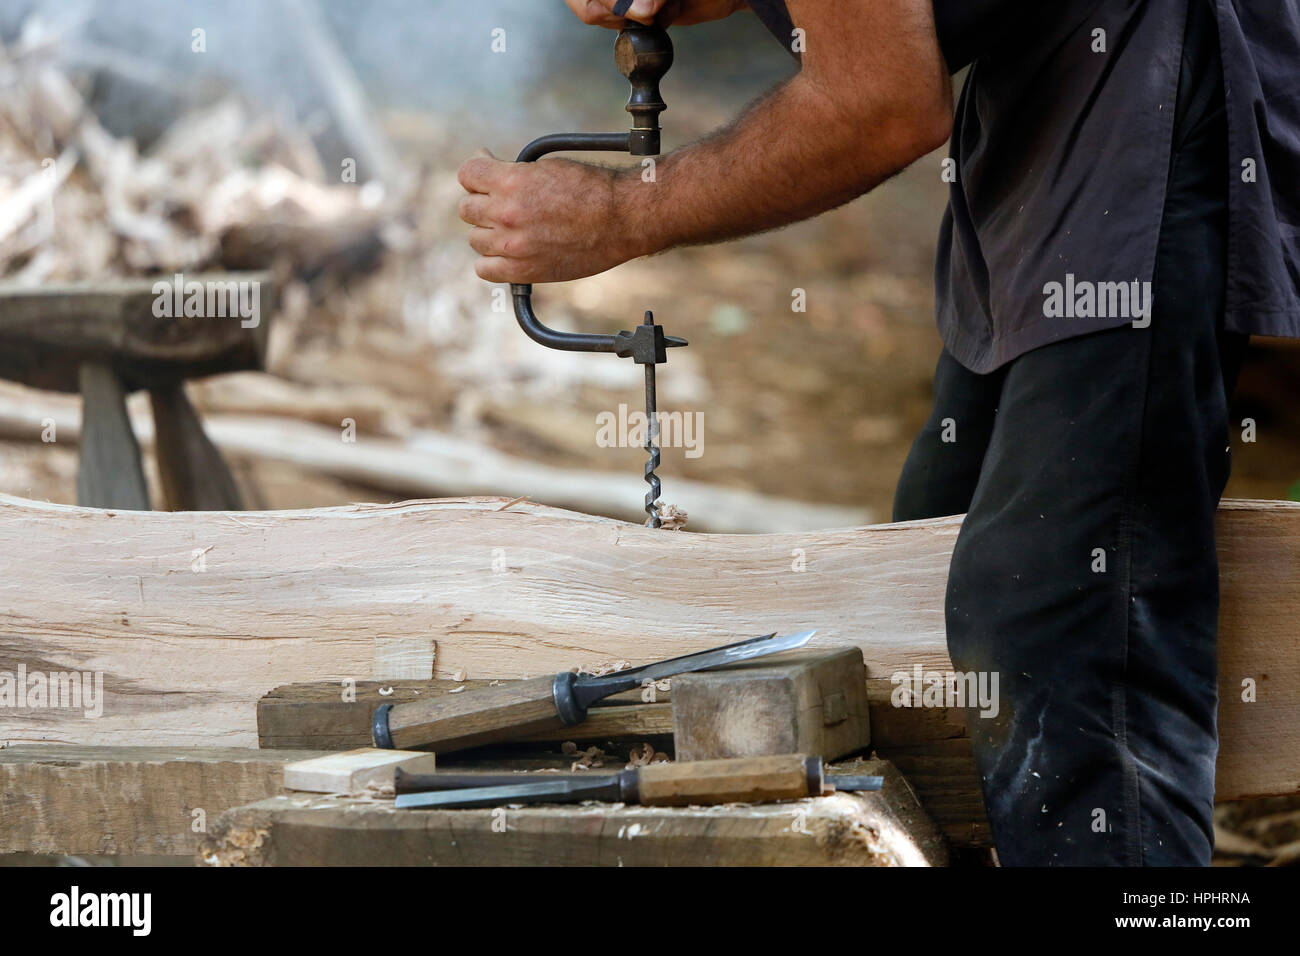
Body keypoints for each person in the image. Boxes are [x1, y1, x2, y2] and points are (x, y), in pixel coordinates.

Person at [457, 0, 1300, 866]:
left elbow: (879, 105)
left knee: (1056, 612)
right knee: (925, 561)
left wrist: (621, 214)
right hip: (1046, 78)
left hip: (1145, 68)